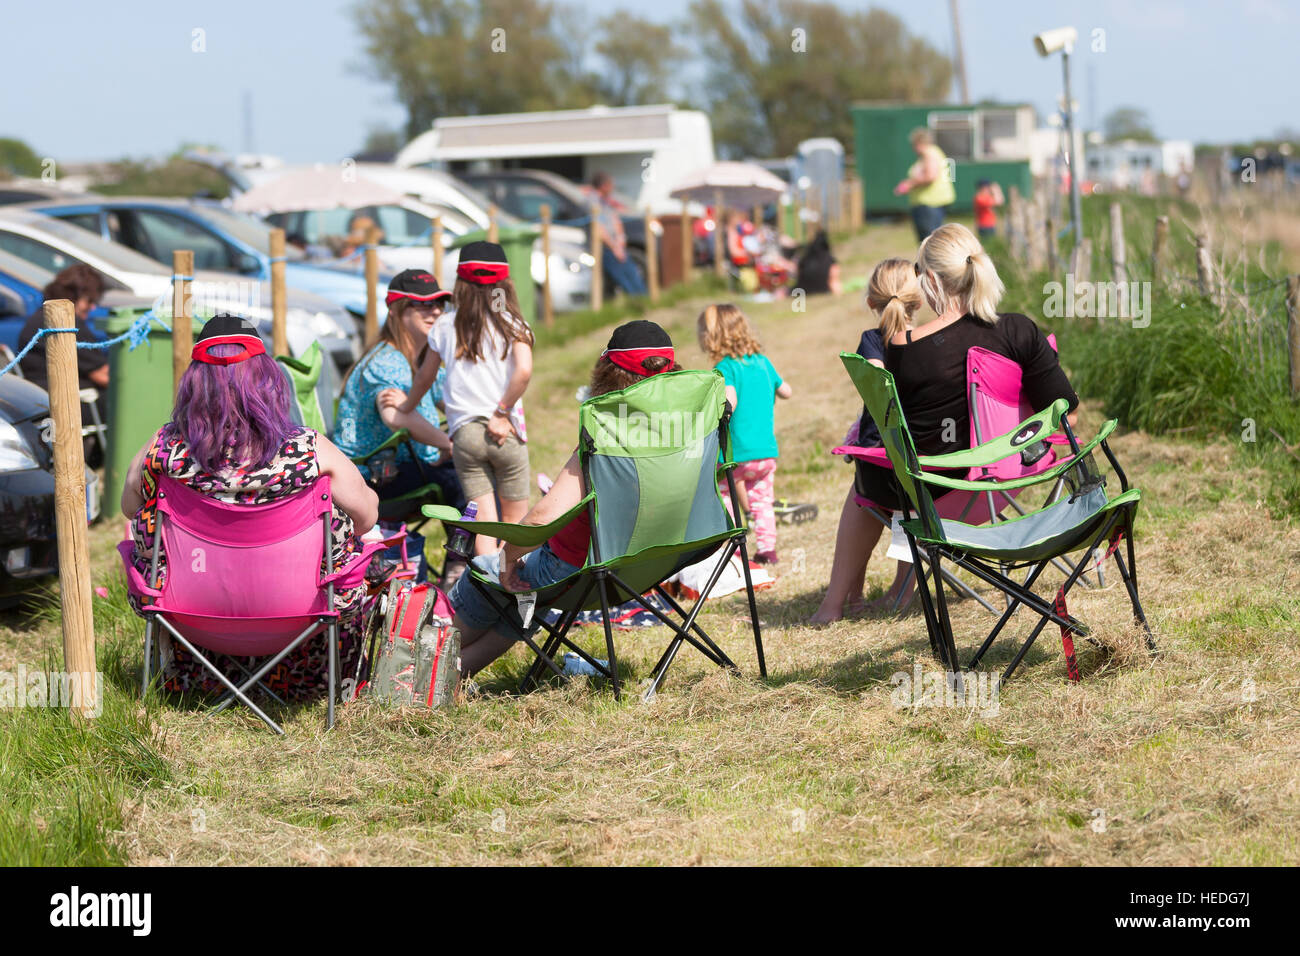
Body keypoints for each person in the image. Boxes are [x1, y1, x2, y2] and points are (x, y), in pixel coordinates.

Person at [815, 225, 1079, 623]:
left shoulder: (903, 348)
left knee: (868, 474)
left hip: (932, 501)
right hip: (1003, 486)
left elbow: (898, 437)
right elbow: (1066, 415)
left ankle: (833, 605)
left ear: (932, 280)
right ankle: (897, 589)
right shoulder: (1018, 329)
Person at [120, 314, 380, 699]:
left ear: (194, 383)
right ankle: (308, 677)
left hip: (190, 618)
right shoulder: (308, 451)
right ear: (267, 380)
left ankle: (203, 676)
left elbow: (128, 507)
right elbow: (368, 517)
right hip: (300, 618)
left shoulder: (163, 450)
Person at [448, 320, 681, 676]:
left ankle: (422, 664)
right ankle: (451, 674)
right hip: (646, 563)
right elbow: (727, 392)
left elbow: (542, 517)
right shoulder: (690, 428)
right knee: (522, 600)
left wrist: (510, 556)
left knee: (489, 573)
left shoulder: (607, 433)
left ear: (608, 373)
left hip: (579, 569)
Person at [385, 241, 532, 554]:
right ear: (505, 285)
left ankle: (488, 588)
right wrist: (501, 412)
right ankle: (514, 589)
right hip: (506, 434)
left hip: (465, 437)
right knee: (514, 522)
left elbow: (424, 377)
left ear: (460, 285)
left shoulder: (445, 326)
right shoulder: (514, 324)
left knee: (484, 523)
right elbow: (523, 373)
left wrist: (406, 406)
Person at [810, 258, 921, 624]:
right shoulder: (932, 341)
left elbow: (876, 384)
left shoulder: (873, 341)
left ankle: (840, 599)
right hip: (928, 467)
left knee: (862, 495)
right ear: (918, 300)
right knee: (910, 504)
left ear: (873, 302)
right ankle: (902, 588)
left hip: (881, 466)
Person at [334, 269, 463, 514]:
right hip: (373, 477)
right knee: (465, 479)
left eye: (438, 303)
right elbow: (396, 418)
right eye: (421, 304)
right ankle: (477, 551)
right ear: (395, 309)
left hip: (409, 464)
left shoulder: (424, 360)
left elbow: (456, 404)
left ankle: (475, 550)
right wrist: (451, 446)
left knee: (476, 469)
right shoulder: (386, 361)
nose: (435, 310)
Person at [697, 304, 792, 565]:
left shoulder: (724, 368)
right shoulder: (762, 362)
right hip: (765, 452)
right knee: (762, 501)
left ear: (711, 337)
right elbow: (786, 390)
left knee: (725, 498)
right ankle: (767, 550)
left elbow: (730, 400)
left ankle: (736, 551)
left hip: (734, 454)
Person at [18, 264, 110, 462]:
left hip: (42, 400)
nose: (93, 307)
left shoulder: (39, 318)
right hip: (68, 404)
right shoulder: (65, 325)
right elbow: (103, 375)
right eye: (90, 301)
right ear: (76, 295)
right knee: (120, 401)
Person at [589, 171, 647, 296]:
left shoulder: (605, 201)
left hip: (616, 245)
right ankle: (636, 301)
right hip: (606, 248)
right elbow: (599, 228)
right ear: (603, 185)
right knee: (622, 275)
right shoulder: (592, 202)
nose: (612, 188)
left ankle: (643, 299)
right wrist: (615, 247)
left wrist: (620, 239)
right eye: (610, 184)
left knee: (631, 272)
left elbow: (615, 219)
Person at [894, 128, 956, 241]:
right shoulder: (934, 152)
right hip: (932, 204)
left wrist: (909, 184)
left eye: (914, 145)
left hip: (928, 204)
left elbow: (930, 176)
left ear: (919, 143)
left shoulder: (929, 153)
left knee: (929, 242)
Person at [793, 229, 842, 296]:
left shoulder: (804, 259)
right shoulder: (830, 260)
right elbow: (834, 281)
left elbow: (798, 275)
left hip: (803, 291)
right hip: (824, 290)